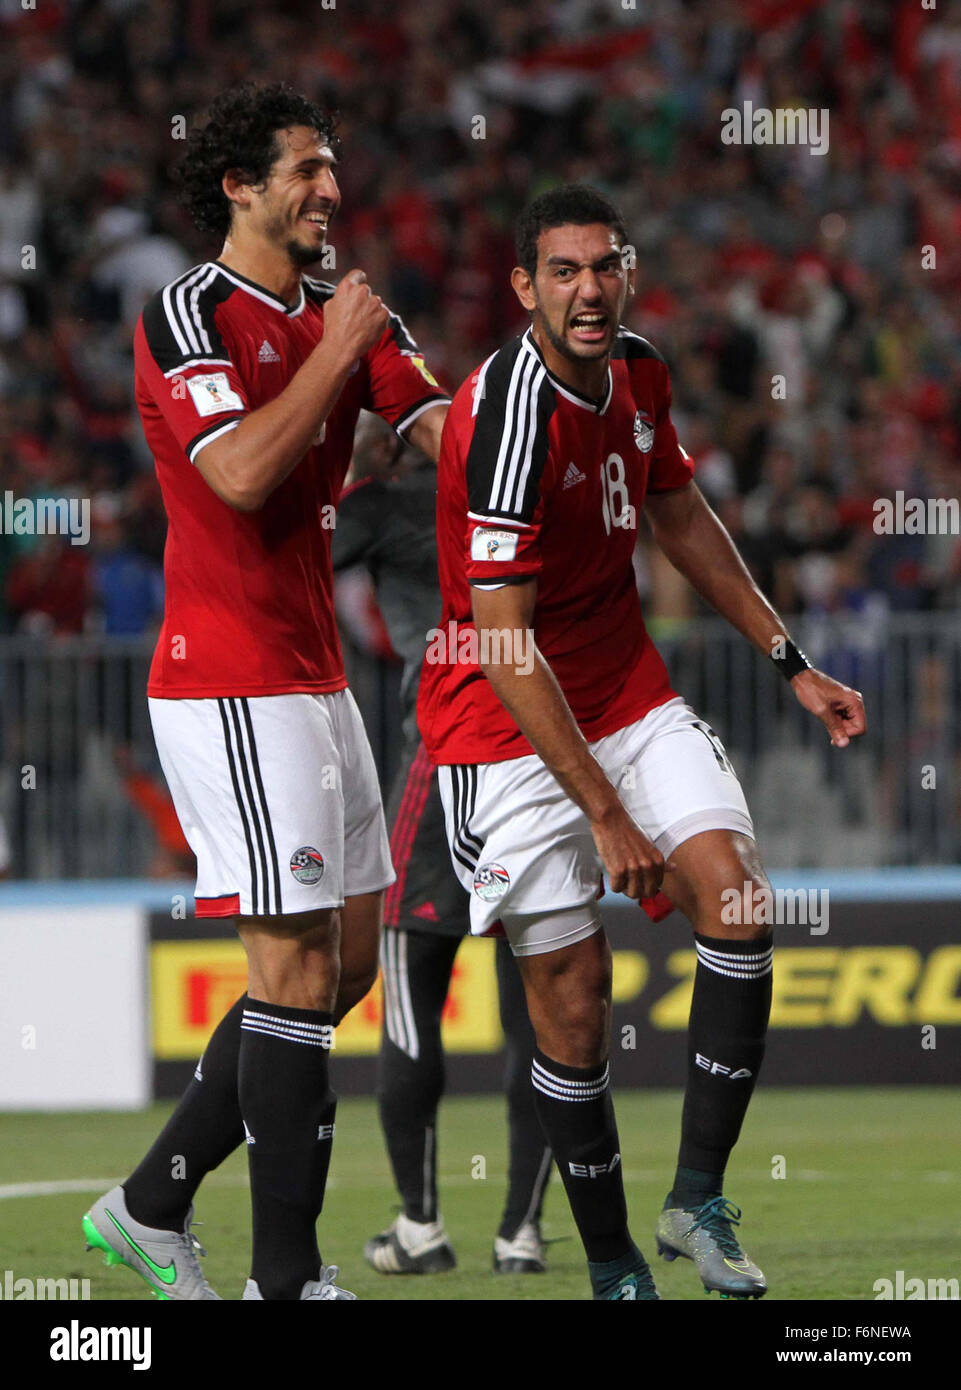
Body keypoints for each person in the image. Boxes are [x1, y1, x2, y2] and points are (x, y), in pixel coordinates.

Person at [417, 184, 866, 1301]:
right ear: (524, 287)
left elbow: (679, 518)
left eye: (603, 266)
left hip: (624, 690)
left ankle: (695, 1201)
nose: (587, 289)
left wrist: (789, 659)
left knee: (739, 895)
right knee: (572, 1006)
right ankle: (612, 1262)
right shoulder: (507, 419)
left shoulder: (642, 370)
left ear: (627, 270)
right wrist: (607, 815)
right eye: (562, 271)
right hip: (503, 726)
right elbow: (504, 644)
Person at [81, 81, 449, 1301]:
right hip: (228, 676)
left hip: (313, 675)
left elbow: (436, 420)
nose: (330, 189)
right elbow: (236, 471)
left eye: (333, 168)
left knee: (342, 963)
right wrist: (337, 348)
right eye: (303, 169)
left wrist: (528, 413)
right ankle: (284, 1281)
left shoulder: (348, 312)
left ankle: (149, 1205)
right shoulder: (189, 313)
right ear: (238, 185)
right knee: (289, 969)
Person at [332, 413, 553, 1276]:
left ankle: (420, 1228)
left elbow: (296, 563)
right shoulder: (522, 497)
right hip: (538, 754)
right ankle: (521, 1232)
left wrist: (349, 469)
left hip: (443, 754)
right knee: (539, 1008)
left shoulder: (384, 505)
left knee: (412, 992)